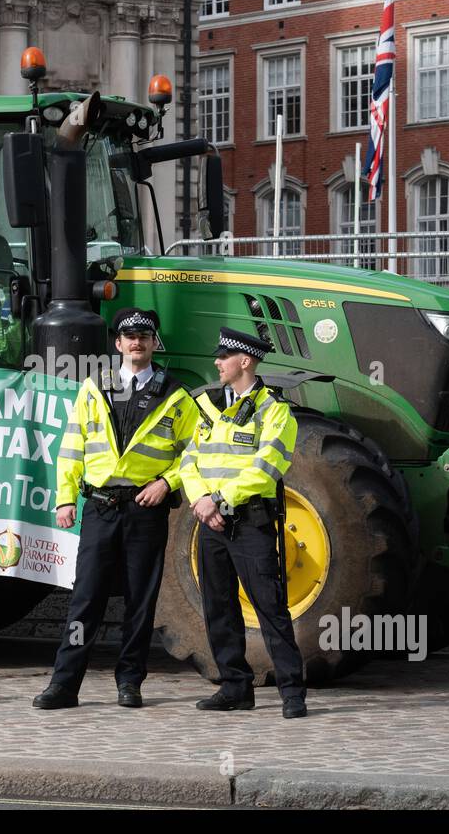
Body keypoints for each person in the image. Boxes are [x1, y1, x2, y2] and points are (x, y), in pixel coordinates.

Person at [33, 308, 199, 710]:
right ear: (118, 343)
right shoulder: (94, 388)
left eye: (144, 335)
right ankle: (64, 684)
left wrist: (167, 483)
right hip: (101, 507)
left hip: (146, 510)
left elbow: (196, 452)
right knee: (85, 599)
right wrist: (65, 498)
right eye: (129, 336)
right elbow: (71, 447)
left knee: (141, 601)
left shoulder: (176, 395)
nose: (137, 342)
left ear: (154, 342)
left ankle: (130, 682)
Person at [179, 327, 308, 719]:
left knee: (270, 608)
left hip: (249, 523)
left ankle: (292, 692)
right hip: (211, 523)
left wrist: (220, 499)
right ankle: (235, 686)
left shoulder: (274, 410)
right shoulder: (208, 406)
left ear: (245, 361)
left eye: (223, 357)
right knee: (218, 608)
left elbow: (268, 467)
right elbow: (189, 459)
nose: (217, 363)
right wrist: (201, 500)